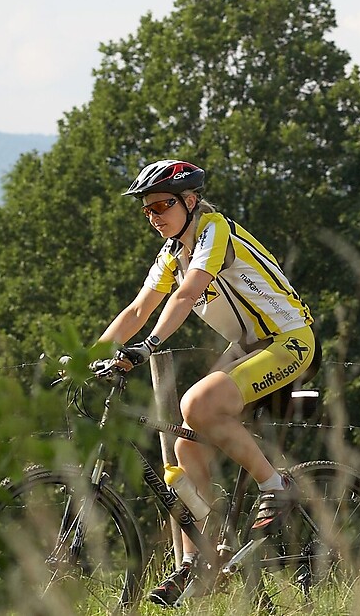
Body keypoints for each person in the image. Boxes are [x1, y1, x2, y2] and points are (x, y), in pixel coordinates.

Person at [97, 159, 316, 606]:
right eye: (147, 209)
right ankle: (201, 559)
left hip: (288, 340)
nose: (155, 215)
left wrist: (151, 345)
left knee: (196, 405)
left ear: (190, 201)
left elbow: (188, 293)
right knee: (184, 445)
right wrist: (90, 358)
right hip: (249, 346)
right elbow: (137, 310)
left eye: (162, 204)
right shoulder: (171, 254)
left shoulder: (215, 231)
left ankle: (276, 487)